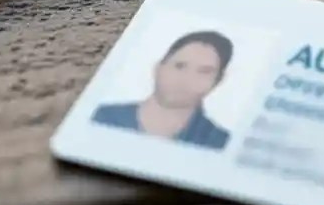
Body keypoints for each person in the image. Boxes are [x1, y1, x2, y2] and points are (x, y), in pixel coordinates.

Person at [92, 31, 232, 150]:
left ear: (218, 81)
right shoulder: (101, 117)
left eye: (204, 72)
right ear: (158, 68)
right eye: (179, 66)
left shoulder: (220, 143)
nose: (186, 79)